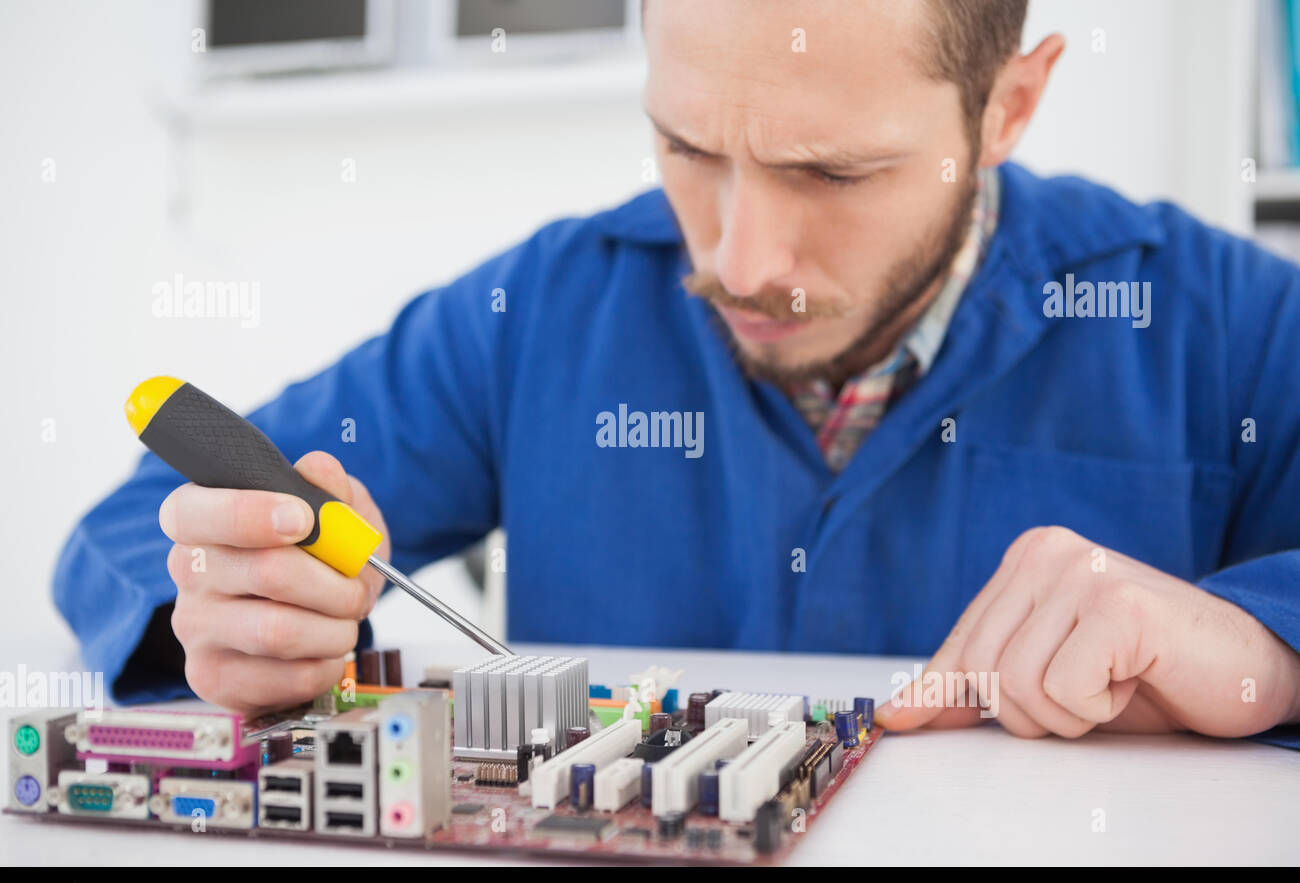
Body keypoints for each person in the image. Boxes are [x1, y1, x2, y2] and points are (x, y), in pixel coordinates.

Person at [54, 0, 1300, 747]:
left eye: (833, 172)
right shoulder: (539, 311)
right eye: (686, 145)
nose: (739, 259)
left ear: (1007, 108)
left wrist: (1263, 643)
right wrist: (240, 611)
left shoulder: (1230, 322)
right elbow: (125, 528)